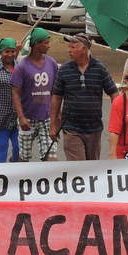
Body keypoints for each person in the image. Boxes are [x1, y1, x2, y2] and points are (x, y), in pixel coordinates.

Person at [49, 32, 118, 160]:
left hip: (94, 128)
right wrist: (53, 124)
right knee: (78, 169)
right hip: (71, 128)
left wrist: (117, 120)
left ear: (84, 49)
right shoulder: (64, 70)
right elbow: (56, 97)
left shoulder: (100, 68)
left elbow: (114, 93)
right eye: (68, 47)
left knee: (92, 169)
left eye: (72, 47)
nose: (69, 50)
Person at [11, 27, 57, 162]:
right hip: (28, 118)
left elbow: (55, 92)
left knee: (51, 156)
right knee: (24, 158)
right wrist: (21, 117)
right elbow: (15, 93)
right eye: (46, 43)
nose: (49, 46)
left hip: (47, 118)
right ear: (37, 44)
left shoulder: (52, 63)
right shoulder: (22, 66)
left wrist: (57, 115)